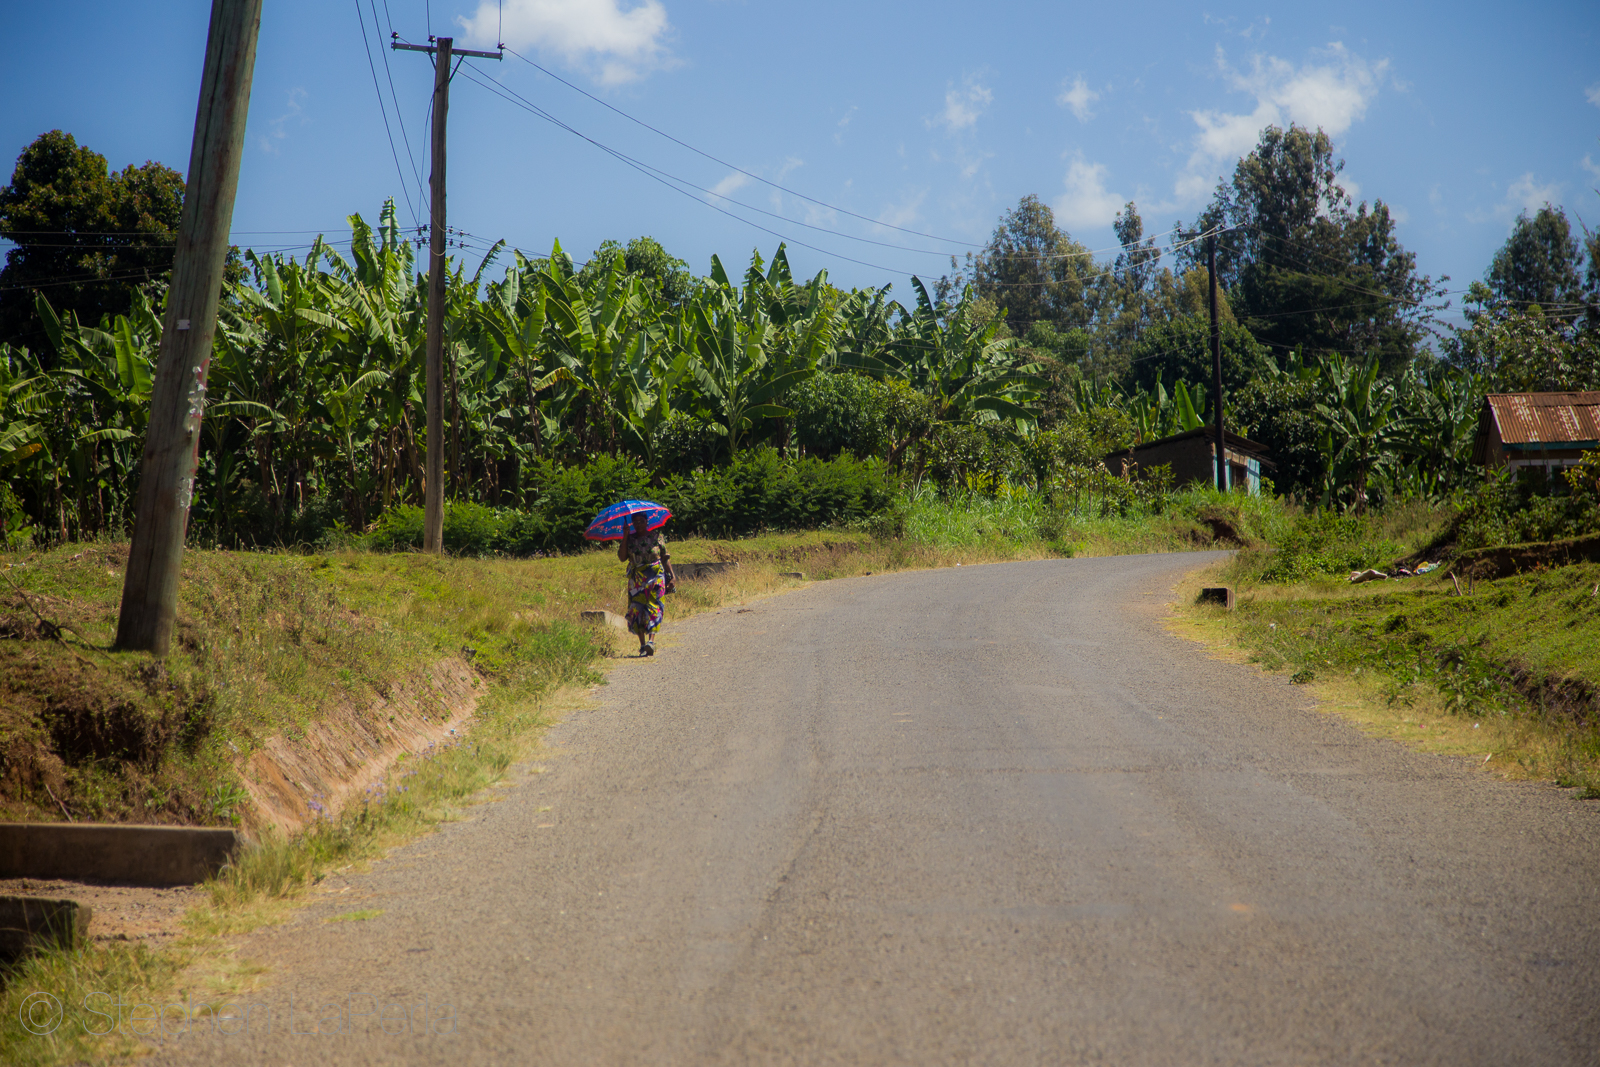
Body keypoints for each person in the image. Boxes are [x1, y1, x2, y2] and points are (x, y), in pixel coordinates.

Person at [617, 511, 675, 656]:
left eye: (641, 521)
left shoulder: (657, 537)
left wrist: (672, 576)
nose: (638, 525)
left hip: (656, 577)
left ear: (647, 522)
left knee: (654, 607)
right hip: (637, 579)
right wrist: (625, 536)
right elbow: (622, 558)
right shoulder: (629, 539)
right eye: (635, 522)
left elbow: (665, 557)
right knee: (637, 609)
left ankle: (651, 642)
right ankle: (642, 645)